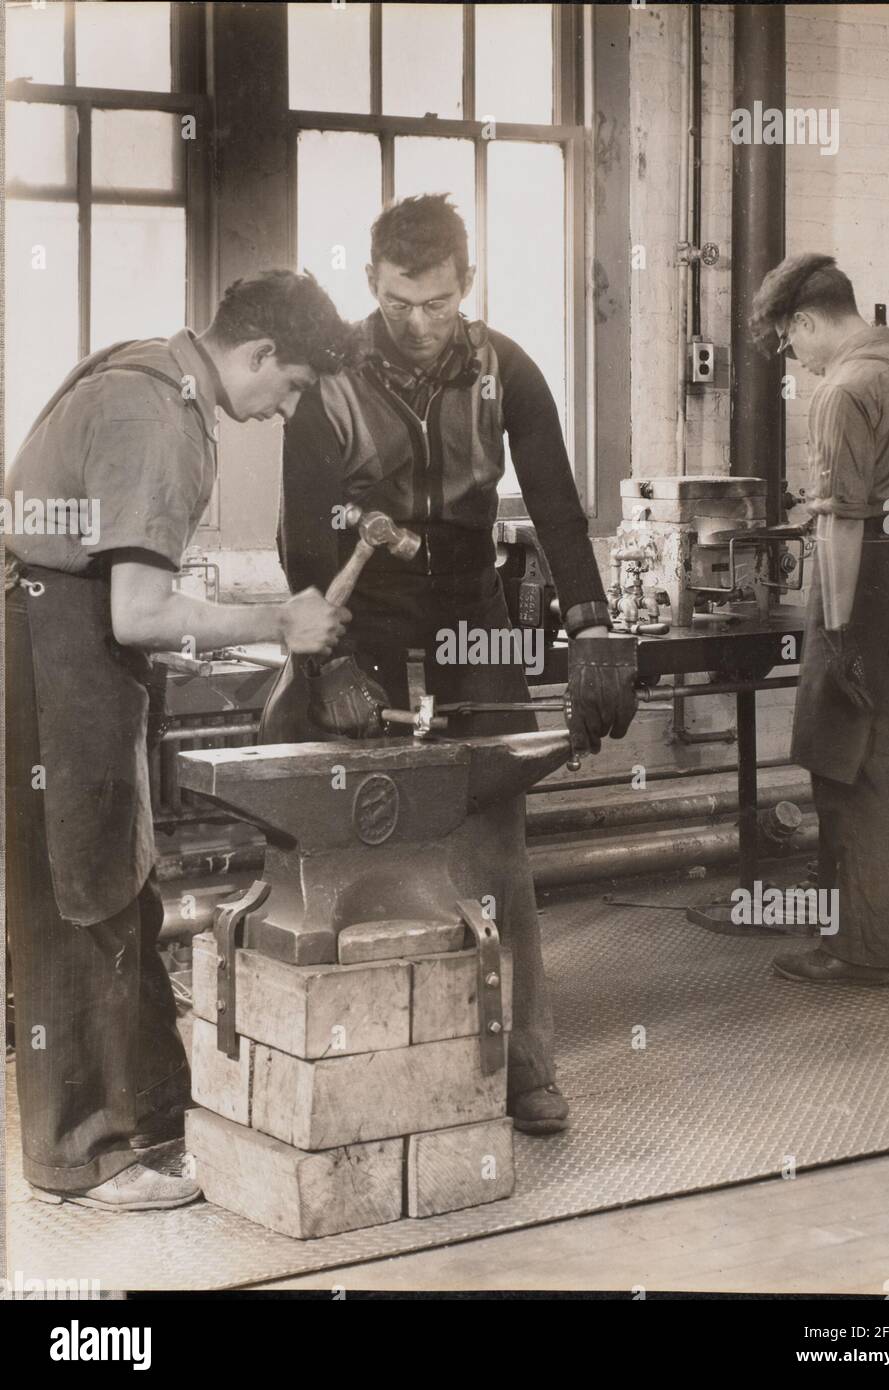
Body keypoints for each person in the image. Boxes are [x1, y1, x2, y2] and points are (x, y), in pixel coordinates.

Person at [267, 194, 638, 1132]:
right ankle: (363, 1067)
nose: (420, 325)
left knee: (495, 841)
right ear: (371, 286)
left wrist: (591, 625)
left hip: (474, 619)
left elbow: (555, 504)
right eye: (399, 304)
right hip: (364, 620)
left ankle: (523, 1069)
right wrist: (327, 667)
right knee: (339, 831)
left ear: (465, 286)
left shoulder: (505, 369)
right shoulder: (326, 383)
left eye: (437, 303)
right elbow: (304, 540)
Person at [4, 270, 352, 1209]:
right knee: (85, 893)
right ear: (259, 353)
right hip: (56, 642)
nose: (284, 411)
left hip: (58, 635)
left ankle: (146, 1123)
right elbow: (138, 612)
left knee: (117, 879)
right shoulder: (156, 416)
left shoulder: (148, 370)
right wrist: (277, 621)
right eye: (288, 389)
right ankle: (89, 1153)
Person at [749, 253, 889, 985]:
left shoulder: (843, 389)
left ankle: (863, 948)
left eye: (791, 345)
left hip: (870, 577)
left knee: (855, 762)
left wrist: (843, 634)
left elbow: (843, 524)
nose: (799, 363)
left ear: (807, 320)